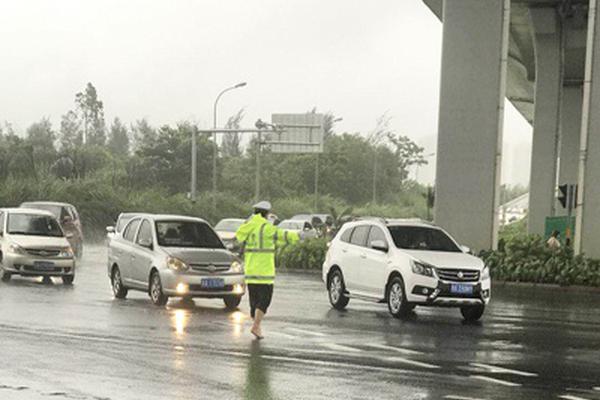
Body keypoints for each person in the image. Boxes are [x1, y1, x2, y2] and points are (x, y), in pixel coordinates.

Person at [235, 201, 300, 339]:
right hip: (264, 272)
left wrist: (248, 221)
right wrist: (300, 235)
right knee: (264, 301)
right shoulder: (267, 228)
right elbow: (284, 235)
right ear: (267, 214)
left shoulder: (248, 227)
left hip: (251, 271)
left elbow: (239, 236)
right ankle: (256, 326)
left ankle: (257, 326)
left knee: (254, 301)